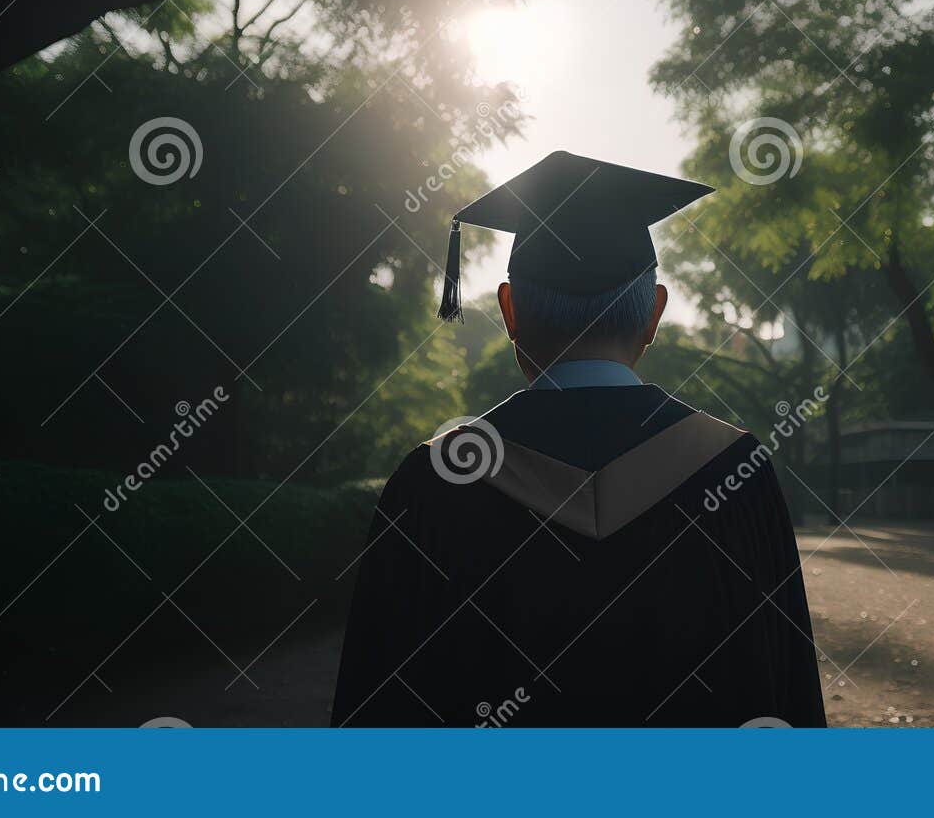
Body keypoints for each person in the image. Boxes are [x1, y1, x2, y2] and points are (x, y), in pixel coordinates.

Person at [330, 150, 824, 727]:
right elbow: (786, 697)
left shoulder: (434, 483)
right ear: (654, 313)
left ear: (508, 309)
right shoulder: (737, 474)